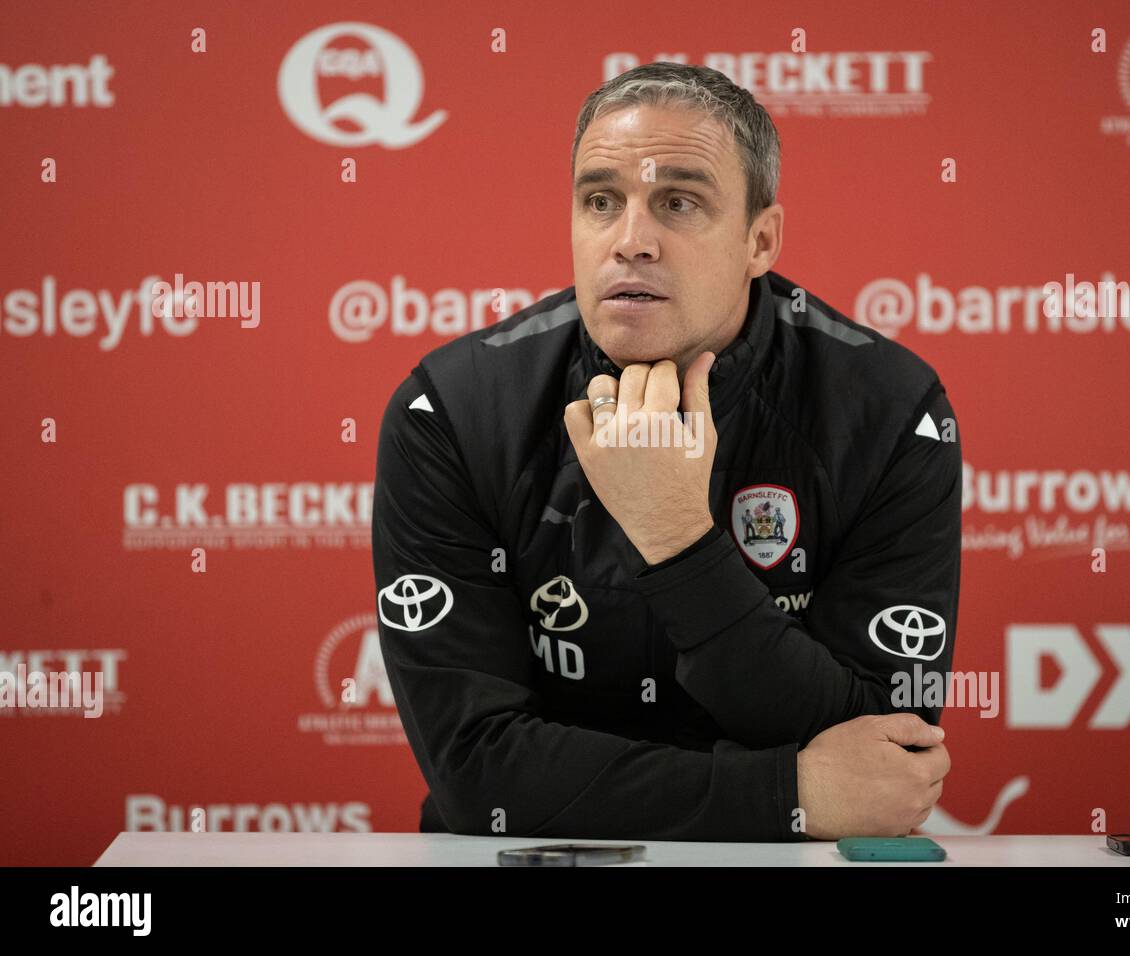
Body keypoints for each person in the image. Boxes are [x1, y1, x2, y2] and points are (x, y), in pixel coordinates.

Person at [371, 62, 959, 842]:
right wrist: (788, 793)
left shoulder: (888, 413)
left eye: (678, 202)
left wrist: (676, 537)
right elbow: (480, 774)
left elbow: (885, 755)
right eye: (600, 201)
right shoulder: (452, 411)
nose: (630, 242)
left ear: (761, 240)